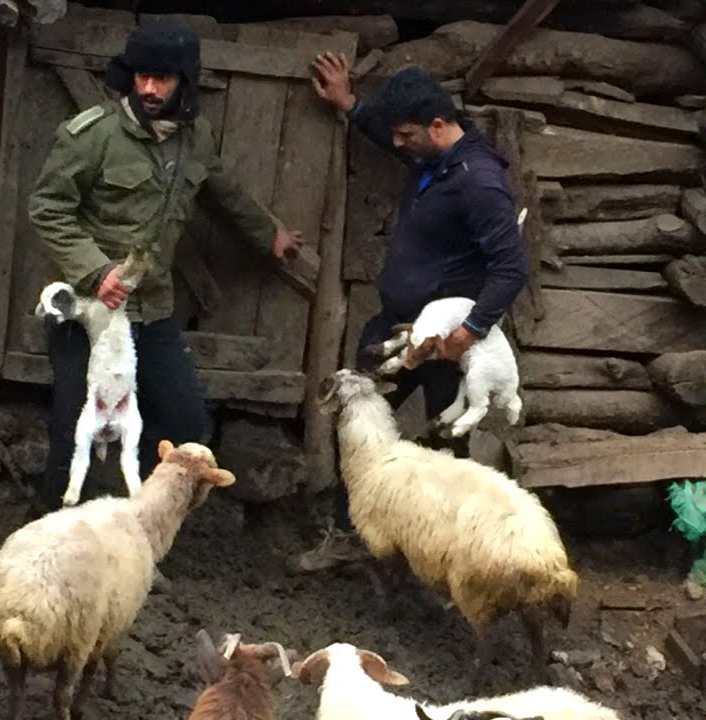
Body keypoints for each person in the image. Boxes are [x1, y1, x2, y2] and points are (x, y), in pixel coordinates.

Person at [27, 18, 303, 516]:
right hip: (89, 316)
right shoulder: (92, 136)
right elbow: (48, 208)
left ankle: (136, 529)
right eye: (141, 77)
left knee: (181, 418)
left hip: (152, 312)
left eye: (164, 79)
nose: (150, 89)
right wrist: (95, 271)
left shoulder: (194, 139)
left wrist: (269, 235)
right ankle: (50, 527)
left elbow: (222, 189)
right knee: (75, 429)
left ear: (185, 81)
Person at [291, 55, 530, 572]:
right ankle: (352, 535)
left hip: (443, 344)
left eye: (405, 135)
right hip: (400, 332)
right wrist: (350, 106)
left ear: (438, 126)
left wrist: (469, 332)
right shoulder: (435, 161)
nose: (396, 145)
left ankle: (459, 554)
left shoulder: (479, 182)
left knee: (448, 448)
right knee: (360, 427)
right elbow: (392, 139)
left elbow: (510, 269)